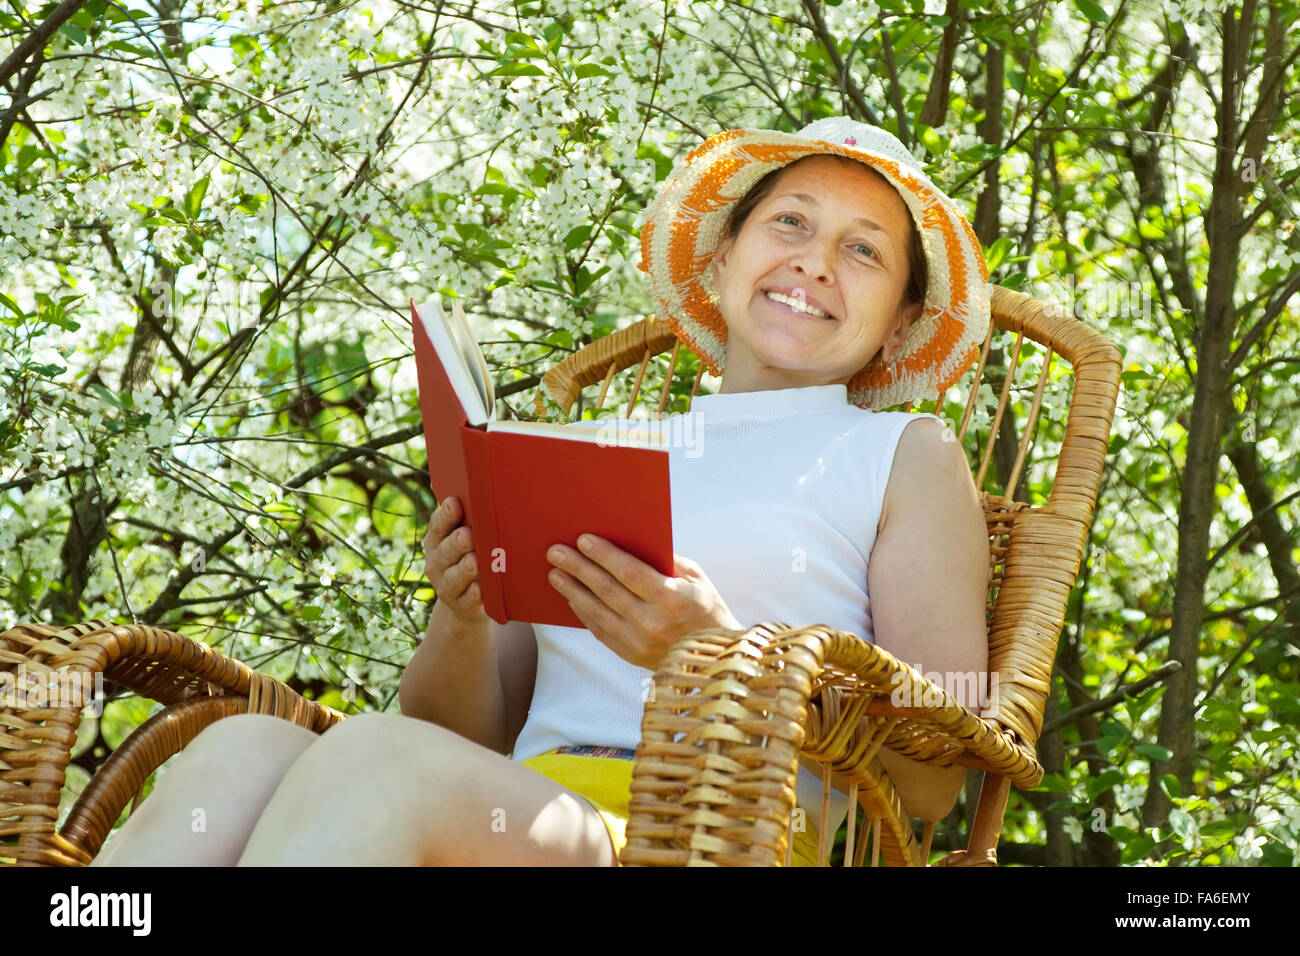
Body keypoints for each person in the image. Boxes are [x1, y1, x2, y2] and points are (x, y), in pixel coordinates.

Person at [92, 116, 992, 867]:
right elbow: (463, 734)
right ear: (723, 261)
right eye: (790, 223)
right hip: (520, 807)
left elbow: (934, 777)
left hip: (708, 838)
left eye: (864, 250)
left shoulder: (901, 452)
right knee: (243, 748)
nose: (817, 262)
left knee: (372, 757)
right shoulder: (595, 451)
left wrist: (716, 652)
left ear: (902, 321)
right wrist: (466, 613)